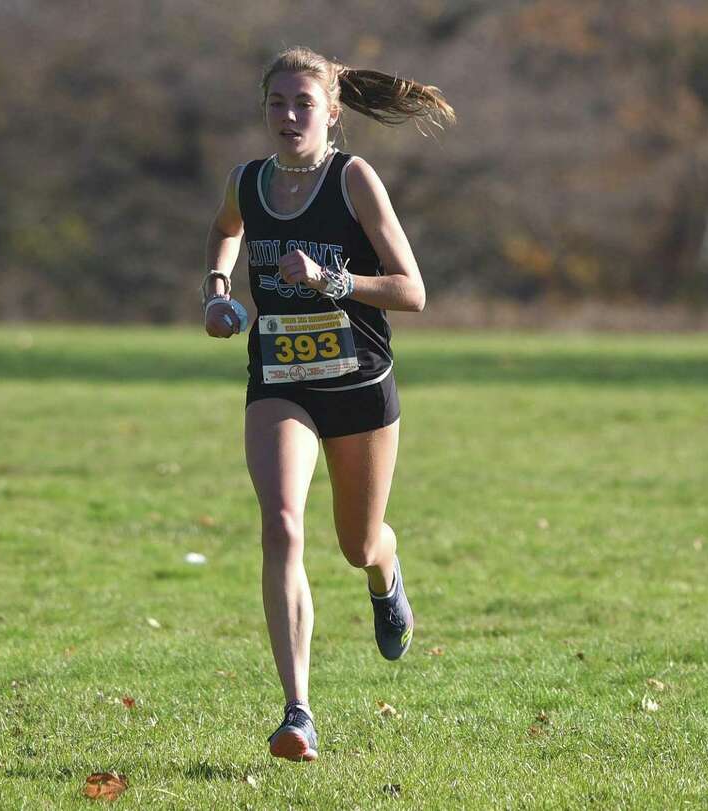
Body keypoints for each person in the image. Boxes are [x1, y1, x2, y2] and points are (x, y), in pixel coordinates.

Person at [200, 45, 454, 762]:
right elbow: (225, 232)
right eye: (276, 103)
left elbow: (413, 291)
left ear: (332, 113)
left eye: (303, 103)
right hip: (279, 382)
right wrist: (217, 293)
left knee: (356, 542)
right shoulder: (246, 182)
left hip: (359, 387)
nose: (288, 116)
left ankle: (386, 571)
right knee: (281, 523)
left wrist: (333, 281)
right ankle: (298, 712)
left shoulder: (353, 179)